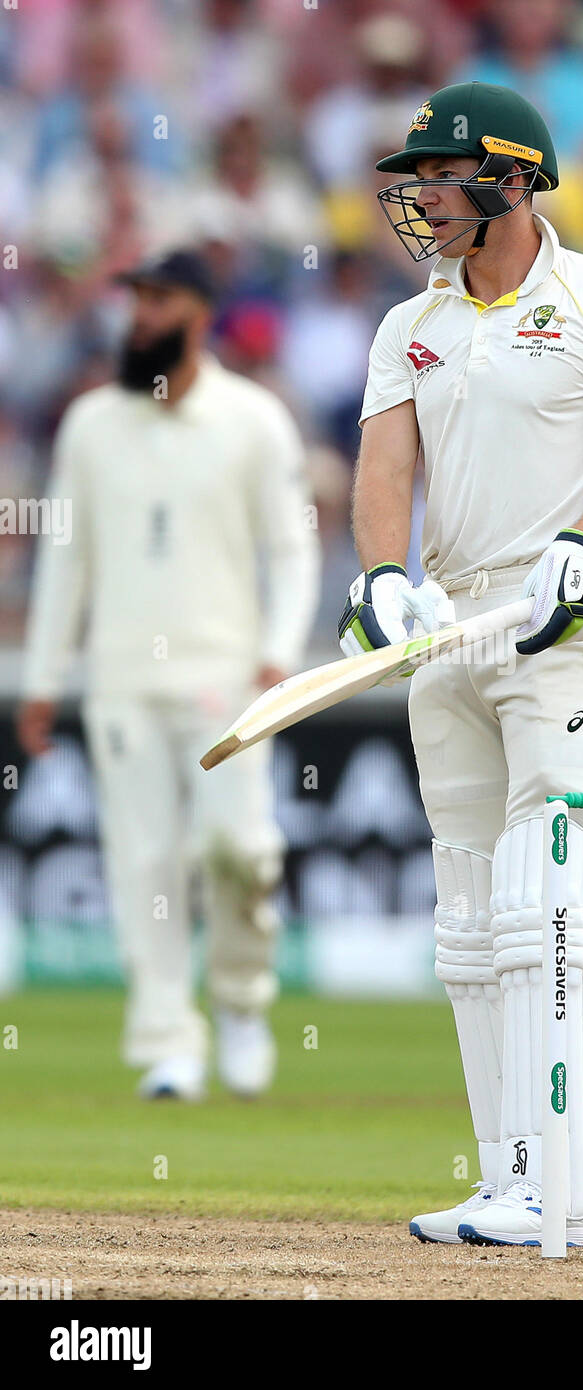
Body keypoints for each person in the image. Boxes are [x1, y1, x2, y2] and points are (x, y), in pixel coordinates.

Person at [342, 82, 583, 1246]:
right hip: (452, 629)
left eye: (440, 176)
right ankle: (505, 1180)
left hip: (564, 628)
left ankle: (564, 1183)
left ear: (512, 179)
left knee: (556, 905)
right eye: (418, 179)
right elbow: (384, 475)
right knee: (471, 920)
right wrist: (381, 576)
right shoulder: (412, 325)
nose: (422, 197)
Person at [18, 250, 319, 1101]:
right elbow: (64, 562)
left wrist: (277, 651)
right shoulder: (89, 425)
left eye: (157, 302)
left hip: (228, 680)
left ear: (199, 316)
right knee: (142, 864)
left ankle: (241, 1002)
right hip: (120, 681)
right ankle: (168, 1043)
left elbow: (293, 547)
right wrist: (43, 679)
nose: (139, 317)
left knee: (238, 850)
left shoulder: (254, 419)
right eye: (135, 300)